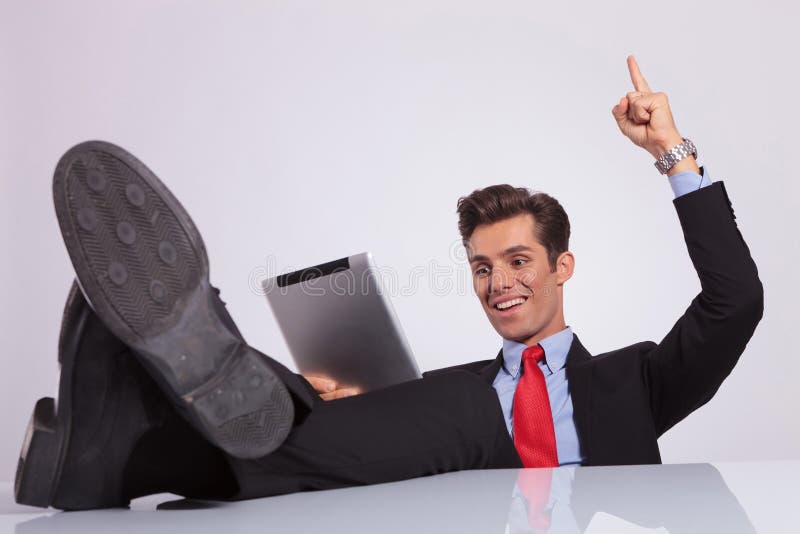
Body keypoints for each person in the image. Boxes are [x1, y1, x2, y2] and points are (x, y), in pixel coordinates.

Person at [13, 56, 762, 510]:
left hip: (537, 481)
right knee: (303, 431)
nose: (498, 283)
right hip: (455, 430)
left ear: (562, 267)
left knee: (284, 434)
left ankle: (121, 431)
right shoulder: (454, 389)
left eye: (519, 261)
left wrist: (673, 153)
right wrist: (330, 403)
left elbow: (735, 304)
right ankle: (204, 395)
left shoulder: (636, 384)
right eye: (481, 266)